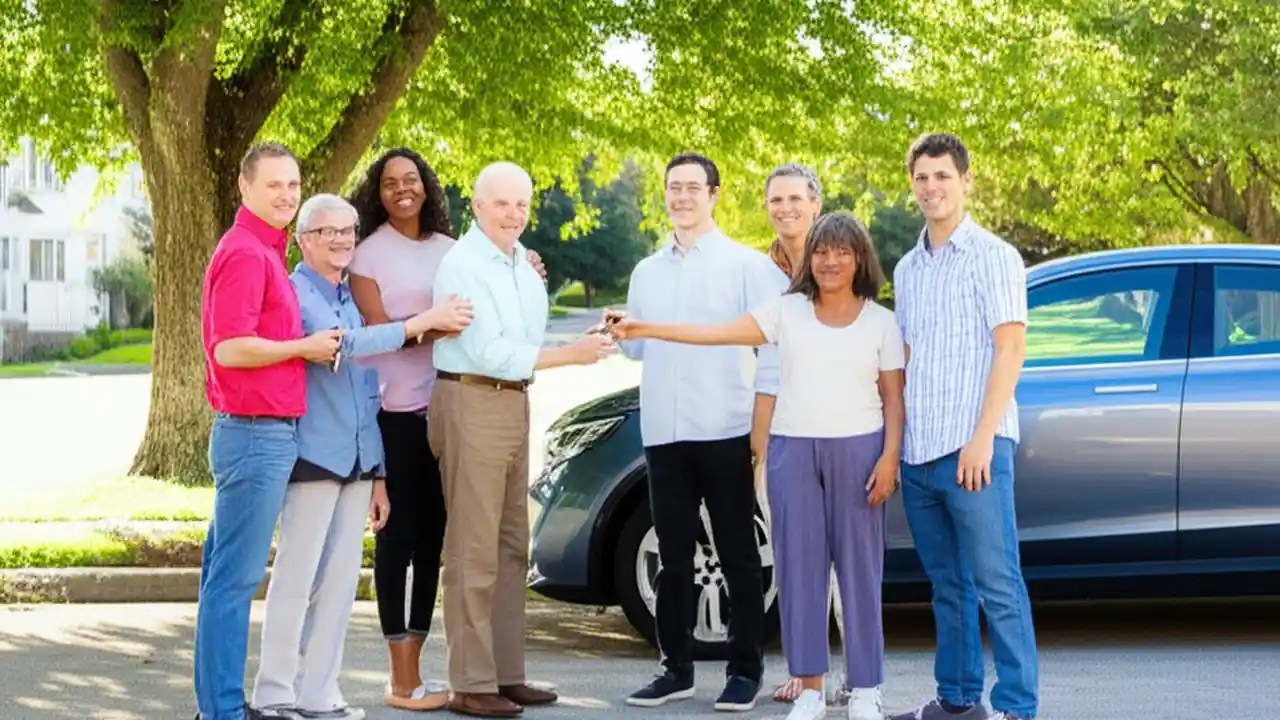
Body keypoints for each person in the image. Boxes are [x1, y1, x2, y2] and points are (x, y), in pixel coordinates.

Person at [611, 211, 904, 720]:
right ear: (808, 260)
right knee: (799, 572)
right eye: (820, 251)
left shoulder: (881, 321)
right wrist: (646, 327)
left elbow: (894, 401)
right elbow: (715, 333)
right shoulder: (786, 310)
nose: (830, 261)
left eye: (841, 251)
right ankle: (810, 689)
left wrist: (889, 456)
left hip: (858, 450)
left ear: (860, 259)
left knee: (858, 573)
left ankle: (864, 690)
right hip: (794, 450)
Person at [248, 194, 474, 720]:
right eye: (329, 232)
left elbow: (368, 392)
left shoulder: (347, 294)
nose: (342, 240)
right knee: (296, 580)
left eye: (349, 231)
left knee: (341, 584)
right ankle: (274, 694)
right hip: (312, 460)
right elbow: (344, 345)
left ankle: (319, 694)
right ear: (304, 240)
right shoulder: (296, 293)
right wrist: (422, 322)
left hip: (355, 464)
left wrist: (377, 473)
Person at [429, 161, 612, 718]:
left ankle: (506, 674)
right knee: (473, 549)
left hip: (513, 401)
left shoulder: (521, 266)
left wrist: (576, 342)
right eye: (502, 204)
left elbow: (526, 337)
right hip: (472, 397)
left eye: (521, 205)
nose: (513, 214)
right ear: (478, 207)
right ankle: (469, 682)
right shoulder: (462, 264)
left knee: (511, 547)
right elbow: (488, 351)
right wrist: (568, 358)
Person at [617, 152, 788, 713]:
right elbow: (639, 348)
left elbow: (772, 349)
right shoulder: (646, 271)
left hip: (726, 427)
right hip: (664, 432)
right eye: (673, 187)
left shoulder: (746, 266)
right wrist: (620, 329)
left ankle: (744, 671)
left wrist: (759, 430)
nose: (682, 196)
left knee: (739, 554)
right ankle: (675, 669)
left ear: (714, 194)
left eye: (693, 187)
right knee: (673, 554)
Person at [887, 133, 1038, 720]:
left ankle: (1017, 708)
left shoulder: (995, 256)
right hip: (921, 454)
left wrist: (981, 438)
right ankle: (956, 701)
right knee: (948, 587)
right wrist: (897, 450)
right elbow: (905, 359)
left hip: (974, 448)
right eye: (922, 178)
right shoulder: (907, 268)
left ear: (966, 180)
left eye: (943, 176)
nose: (932, 187)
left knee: (998, 584)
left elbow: (1011, 349)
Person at [194, 143, 343, 720]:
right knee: (233, 583)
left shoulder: (264, 251)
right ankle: (224, 710)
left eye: (294, 185)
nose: (286, 194)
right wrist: (303, 347)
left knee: (224, 579)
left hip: (264, 433)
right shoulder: (246, 254)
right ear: (244, 186)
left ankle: (217, 706)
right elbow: (228, 348)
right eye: (274, 184)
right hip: (255, 435)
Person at [759, 163, 850, 708]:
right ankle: (806, 674)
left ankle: (852, 676)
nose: (786, 208)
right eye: (776, 199)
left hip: (841, 427)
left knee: (844, 565)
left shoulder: (840, 257)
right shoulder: (757, 269)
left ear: (816, 203)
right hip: (779, 429)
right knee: (796, 560)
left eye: (796, 198)